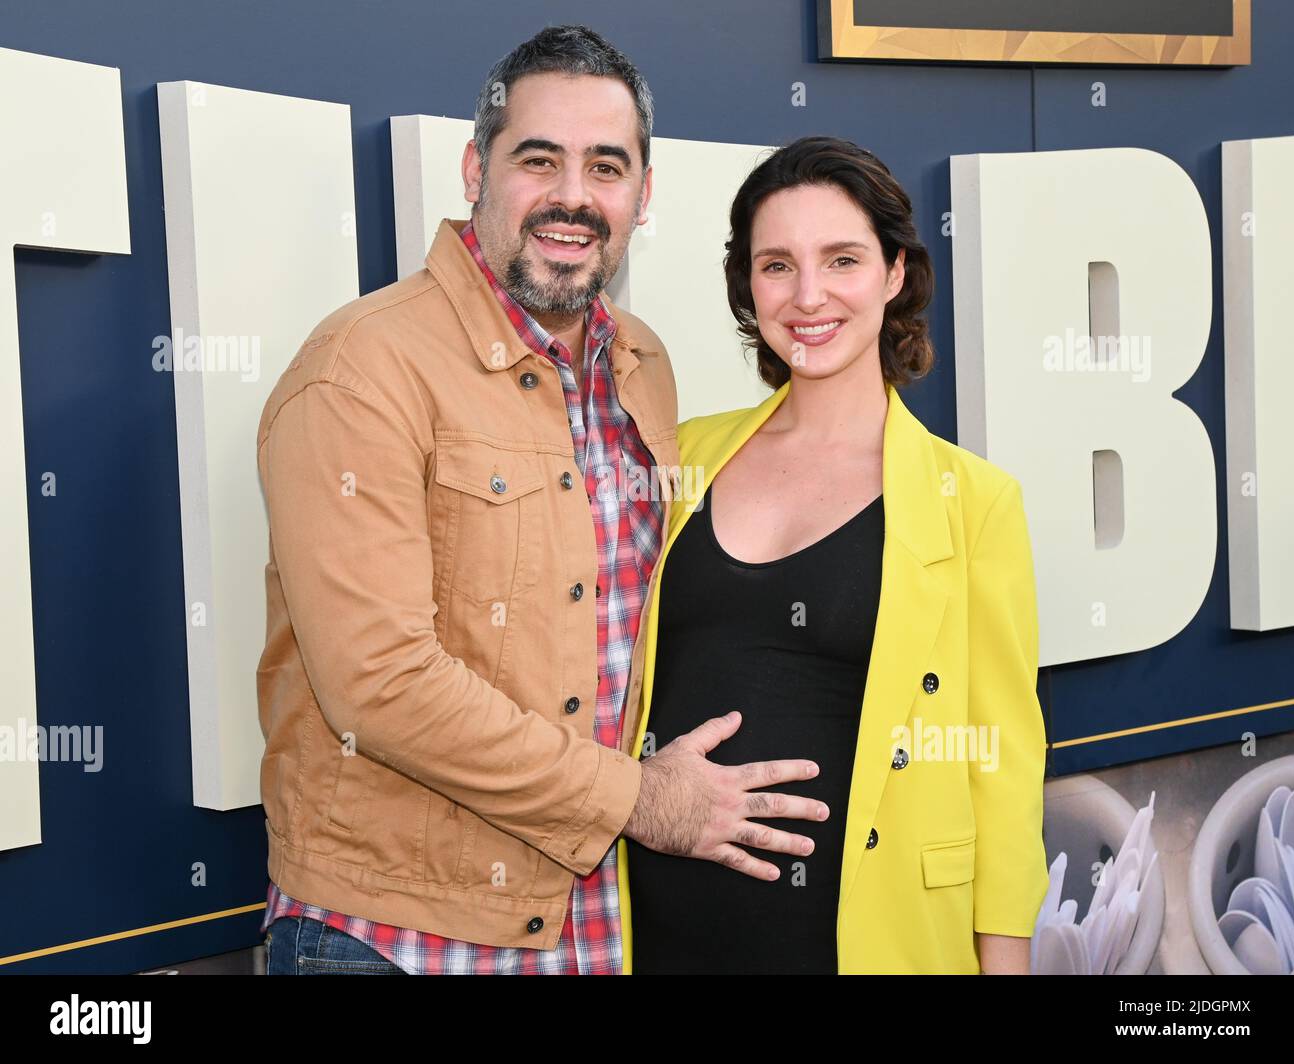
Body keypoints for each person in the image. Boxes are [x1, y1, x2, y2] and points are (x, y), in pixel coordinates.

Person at [256, 25, 824, 976]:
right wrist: (644, 800)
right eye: (538, 159)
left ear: (643, 195)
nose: (573, 196)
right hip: (395, 941)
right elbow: (379, 687)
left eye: (606, 166)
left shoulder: (640, 365)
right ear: (476, 168)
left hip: (593, 925)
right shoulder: (361, 371)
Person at [620, 136, 1050, 974]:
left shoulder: (975, 503)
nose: (808, 295)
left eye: (842, 259)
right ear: (747, 284)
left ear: (895, 274)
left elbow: (997, 766)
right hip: (664, 922)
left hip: (864, 938)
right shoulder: (677, 461)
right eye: (776, 264)